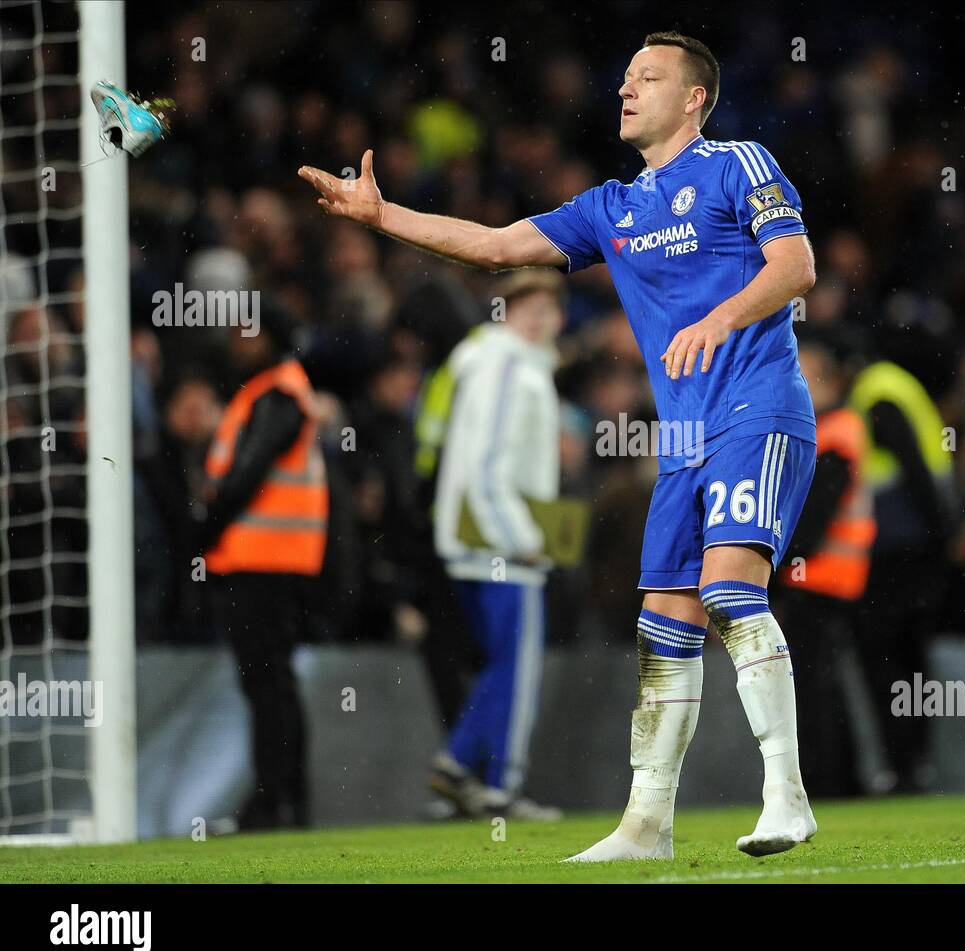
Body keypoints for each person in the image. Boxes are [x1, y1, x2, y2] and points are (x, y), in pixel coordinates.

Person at [299, 30, 819, 859]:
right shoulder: (611, 207)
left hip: (757, 412)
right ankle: (647, 825)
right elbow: (499, 246)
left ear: (694, 98)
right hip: (685, 442)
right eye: (624, 77)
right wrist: (382, 214)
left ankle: (786, 796)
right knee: (664, 627)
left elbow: (795, 267)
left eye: (648, 78)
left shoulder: (739, 164)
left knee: (727, 594)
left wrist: (718, 320)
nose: (627, 88)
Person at [427, 270, 565, 820]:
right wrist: (523, 539)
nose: (548, 319)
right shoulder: (508, 364)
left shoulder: (487, 361)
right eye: (536, 308)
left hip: (476, 539)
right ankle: (499, 787)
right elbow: (487, 466)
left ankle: (459, 764)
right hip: (499, 544)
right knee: (516, 664)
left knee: (501, 662)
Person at [196, 309, 329, 830]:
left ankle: (273, 802)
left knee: (267, 685)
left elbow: (247, 471)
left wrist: (206, 525)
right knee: (274, 683)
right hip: (271, 558)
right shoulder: (272, 391)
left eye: (249, 331)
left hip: (262, 559)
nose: (238, 341)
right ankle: (286, 800)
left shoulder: (278, 393)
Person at [847, 358, 954, 793]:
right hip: (916, 546)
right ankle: (915, 763)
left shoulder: (876, 394)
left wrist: (941, 532)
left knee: (886, 662)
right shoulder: (901, 384)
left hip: (893, 549)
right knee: (912, 663)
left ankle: (902, 765)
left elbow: (909, 465)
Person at [774, 336, 874, 798]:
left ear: (831, 381)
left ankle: (825, 780)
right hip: (823, 578)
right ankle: (842, 779)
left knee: (811, 689)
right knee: (821, 685)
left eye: (807, 375)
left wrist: (774, 558)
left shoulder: (835, 432)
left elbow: (813, 519)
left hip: (819, 579)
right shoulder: (829, 429)